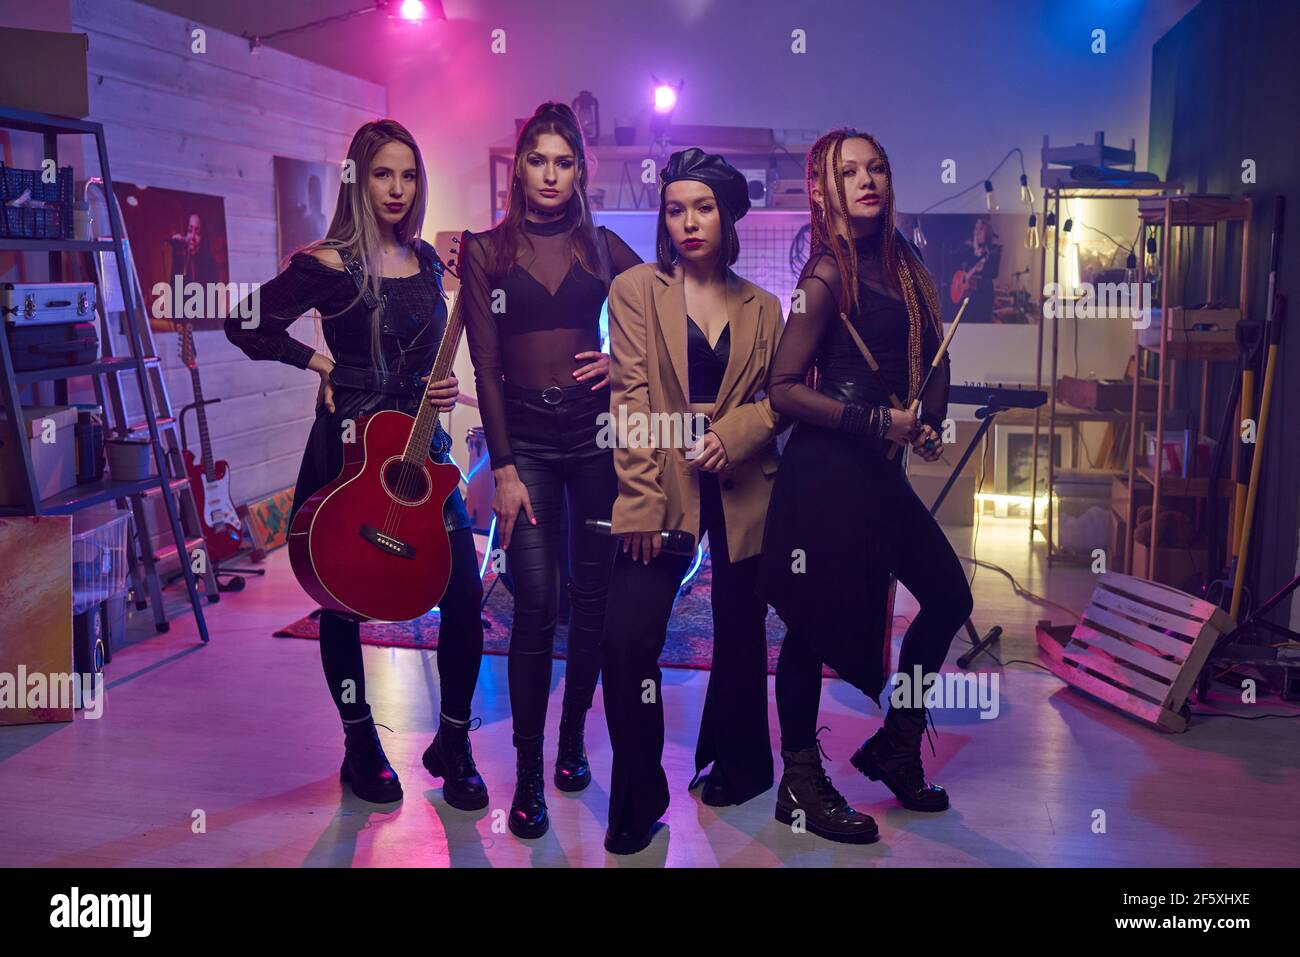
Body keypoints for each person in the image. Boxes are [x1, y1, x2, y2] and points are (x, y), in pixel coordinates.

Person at [225, 119, 488, 811]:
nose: (397, 189)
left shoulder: (430, 261)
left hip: (421, 448)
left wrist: (446, 388)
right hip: (347, 448)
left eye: (407, 175)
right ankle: (359, 742)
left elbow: (431, 351)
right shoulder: (328, 263)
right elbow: (245, 322)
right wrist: (318, 362)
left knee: (463, 594)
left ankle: (453, 740)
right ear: (357, 181)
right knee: (340, 601)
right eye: (382, 174)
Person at [759, 129, 974, 845]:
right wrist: (878, 417)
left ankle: (895, 744)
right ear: (825, 189)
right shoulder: (825, 274)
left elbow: (933, 357)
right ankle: (798, 781)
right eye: (847, 171)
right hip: (825, 477)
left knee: (948, 596)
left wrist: (931, 419)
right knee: (811, 627)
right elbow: (783, 388)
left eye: (876, 165)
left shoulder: (905, 262)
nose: (866, 179)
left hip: (880, 476)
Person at [460, 102, 642, 840]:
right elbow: (486, 365)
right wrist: (502, 466)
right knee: (536, 601)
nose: (550, 174)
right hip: (526, 442)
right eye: (538, 159)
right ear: (518, 166)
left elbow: (666, 311)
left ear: (580, 170)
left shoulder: (603, 247)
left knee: (593, 598)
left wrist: (624, 362)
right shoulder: (486, 249)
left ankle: (574, 740)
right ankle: (529, 769)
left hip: (595, 438)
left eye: (564, 161)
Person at [601, 148, 786, 855]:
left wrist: (735, 433)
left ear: (726, 215)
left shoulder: (765, 307)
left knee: (740, 633)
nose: (688, 221)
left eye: (702, 207)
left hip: (742, 482)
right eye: (675, 208)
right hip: (664, 478)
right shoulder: (635, 290)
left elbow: (779, 399)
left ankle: (738, 763)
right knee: (628, 640)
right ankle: (638, 791)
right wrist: (643, 503)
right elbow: (632, 400)